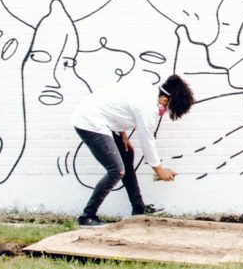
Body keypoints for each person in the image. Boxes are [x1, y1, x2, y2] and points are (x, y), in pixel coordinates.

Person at [70, 73, 193, 224]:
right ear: (165, 99)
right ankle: (87, 216)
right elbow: (147, 142)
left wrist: (121, 132)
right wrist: (160, 171)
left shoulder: (147, 88)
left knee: (127, 156)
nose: (165, 111)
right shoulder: (149, 109)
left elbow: (117, 103)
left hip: (103, 119)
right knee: (116, 170)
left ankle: (138, 208)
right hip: (89, 121)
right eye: (168, 108)